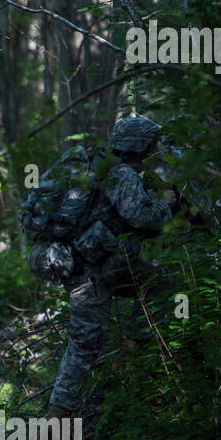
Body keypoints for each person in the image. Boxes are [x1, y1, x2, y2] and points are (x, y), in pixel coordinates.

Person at [43, 116, 178, 418]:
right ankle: (58, 422)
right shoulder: (123, 175)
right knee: (84, 347)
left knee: (82, 348)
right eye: (153, 143)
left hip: (81, 264)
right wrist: (165, 203)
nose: (157, 148)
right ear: (141, 147)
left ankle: (121, 372)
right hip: (93, 273)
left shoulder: (98, 168)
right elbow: (143, 218)